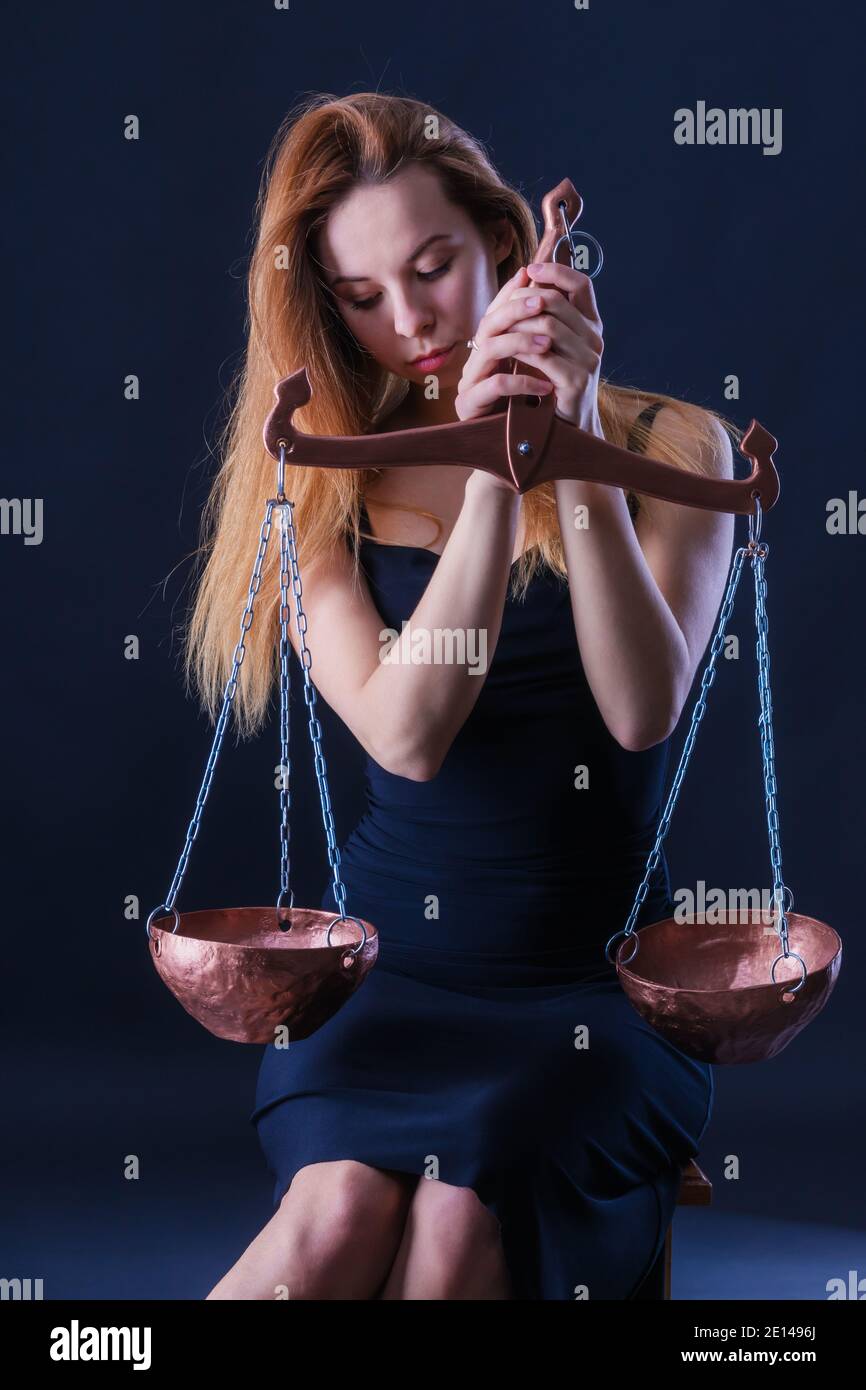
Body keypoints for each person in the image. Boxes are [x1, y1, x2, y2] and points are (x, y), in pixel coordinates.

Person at [187, 91, 736, 1300]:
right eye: (360, 297)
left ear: (499, 236)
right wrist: (493, 479)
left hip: (590, 1000)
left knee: (452, 1233)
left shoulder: (678, 446)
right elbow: (407, 732)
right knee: (331, 1220)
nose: (411, 321)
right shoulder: (323, 479)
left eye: (432, 266)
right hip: (386, 989)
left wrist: (570, 436)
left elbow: (641, 708)